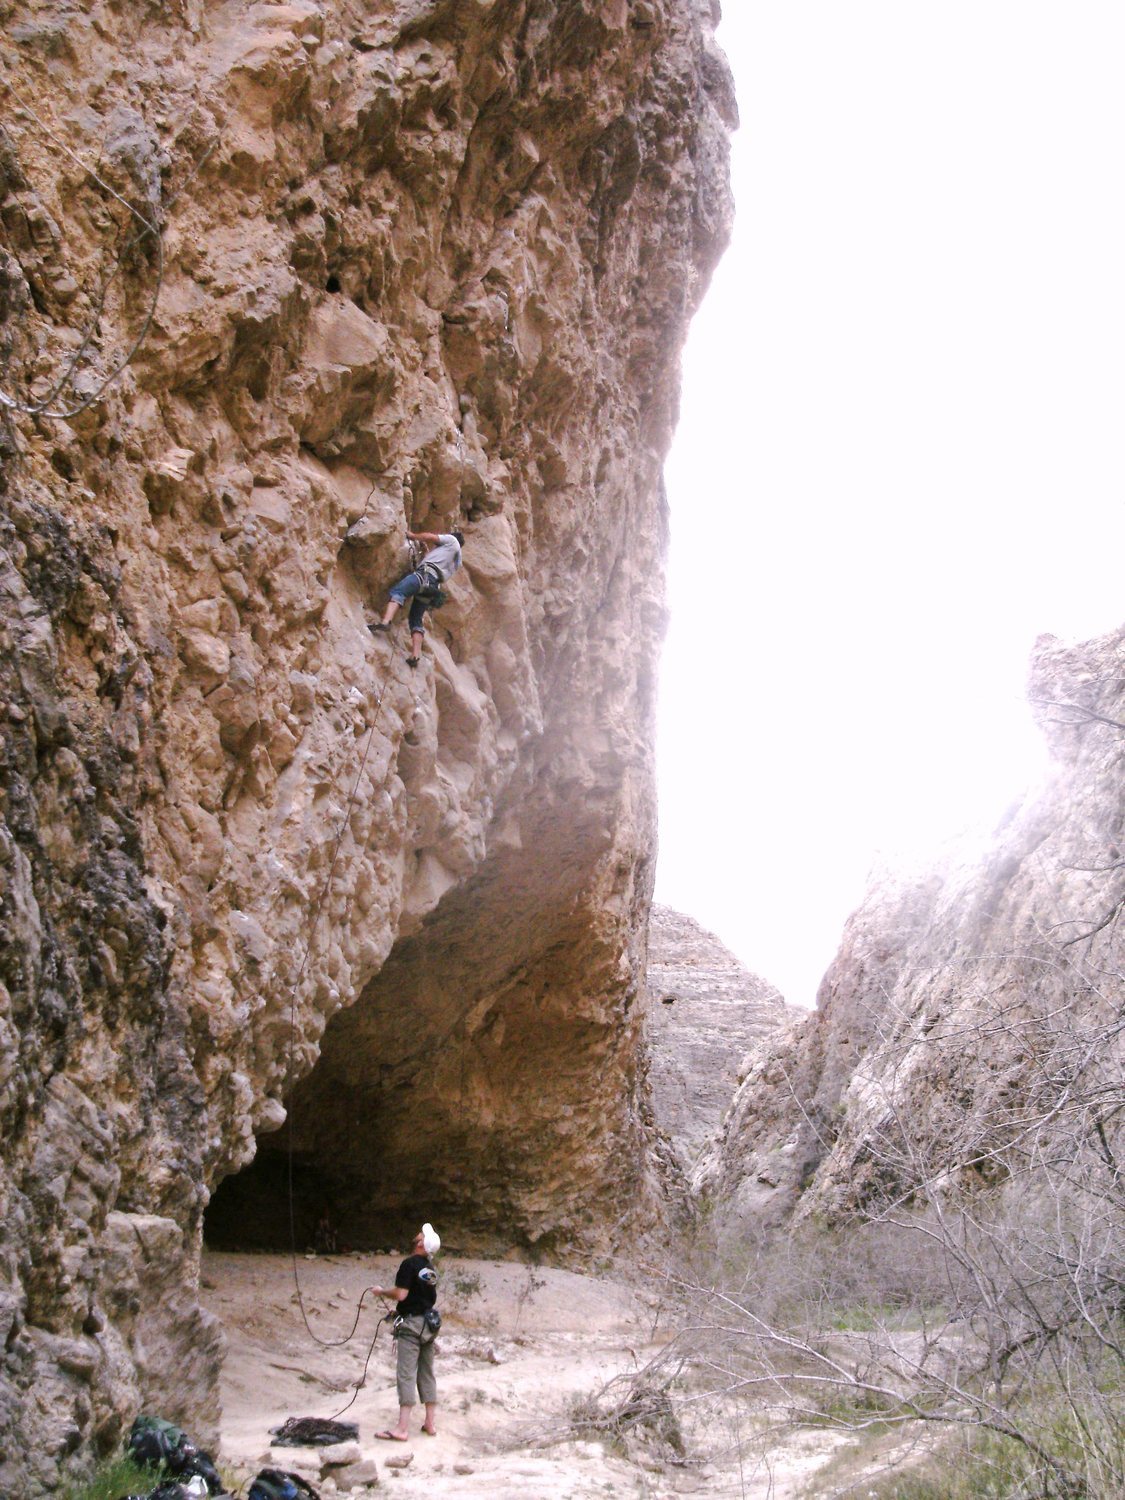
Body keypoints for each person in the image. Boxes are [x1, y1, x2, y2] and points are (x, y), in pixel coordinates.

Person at [369, 1222, 441, 1441]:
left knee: (406, 1374)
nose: (418, 1235)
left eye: (420, 1235)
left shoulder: (409, 1264)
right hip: (429, 1326)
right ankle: (430, 1423)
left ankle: (401, 1428)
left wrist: (381, 1291)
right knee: (427, 1373)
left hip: (411, 1326)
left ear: (420, 1244)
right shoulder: (431, 1269)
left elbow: (401, 1295)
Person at [370, 529, 464, 667]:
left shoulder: (452, 540)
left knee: (399, 591)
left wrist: (413, 536)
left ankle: (386, 621)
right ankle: (415, 655)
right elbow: (436, 563)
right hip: (432, 586)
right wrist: (426, 552)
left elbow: (430, 536)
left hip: (424, 576)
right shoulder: (456, 559)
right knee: (416, 618)